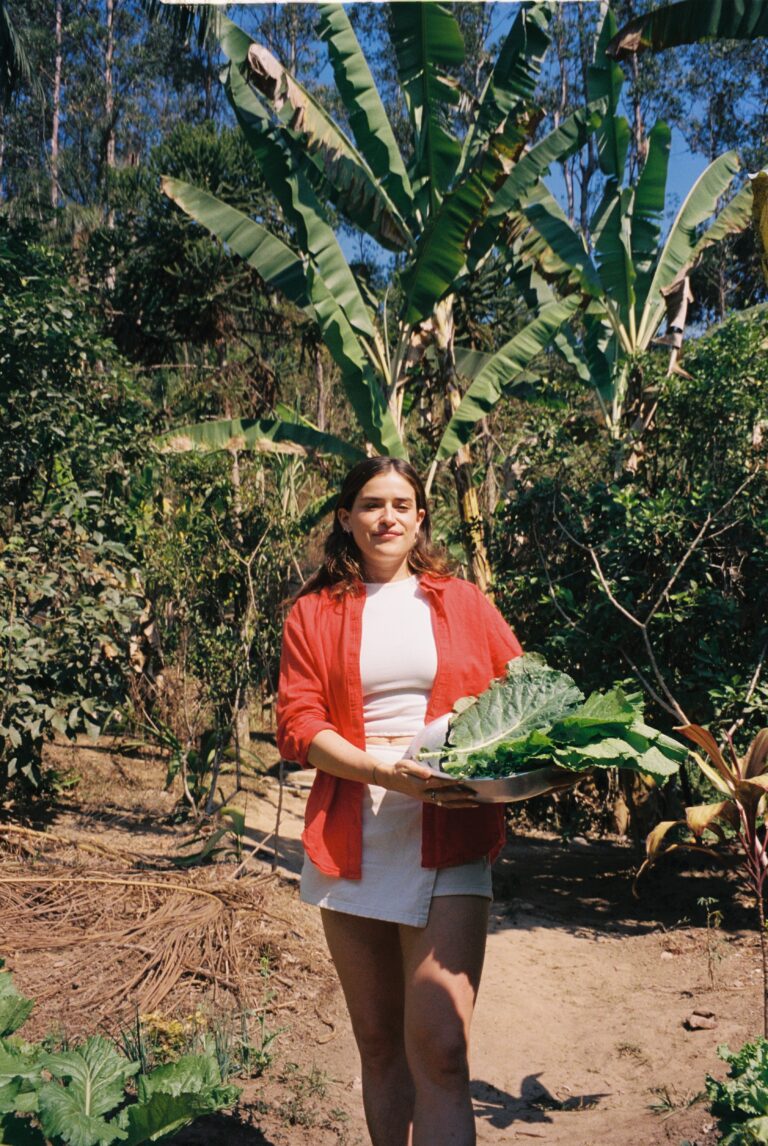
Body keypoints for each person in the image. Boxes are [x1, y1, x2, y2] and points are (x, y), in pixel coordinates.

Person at [277, 457, 522, 1146]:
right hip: (353, 833)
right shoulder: (313, 612)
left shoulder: (463, 601)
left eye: (402, 505)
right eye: (371, 504)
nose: (387, 516)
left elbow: (523, 689)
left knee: (441, 1046)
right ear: (346, 518)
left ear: (420, 519)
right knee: (381, 1043)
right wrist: (381, 772)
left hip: (449, 827)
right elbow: (298, 722)